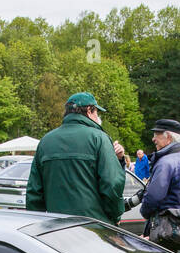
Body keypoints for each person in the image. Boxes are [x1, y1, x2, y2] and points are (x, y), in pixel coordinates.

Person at [25, 92, 126, 224]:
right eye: (97, 112)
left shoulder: (45, 141)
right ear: (90, 110)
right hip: (94, 228)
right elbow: (112, 184)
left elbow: (34, 193)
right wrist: (115, 215)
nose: (98, 117)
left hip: (55, 231)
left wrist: (38, 226)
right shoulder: (99, 138)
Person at [140, 119, 180, 253]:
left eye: (157, 134)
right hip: (179, 226)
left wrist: (144, 212)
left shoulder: (166, 162)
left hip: (165, 227)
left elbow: (154, 196)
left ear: (168, 137)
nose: (153, 138)